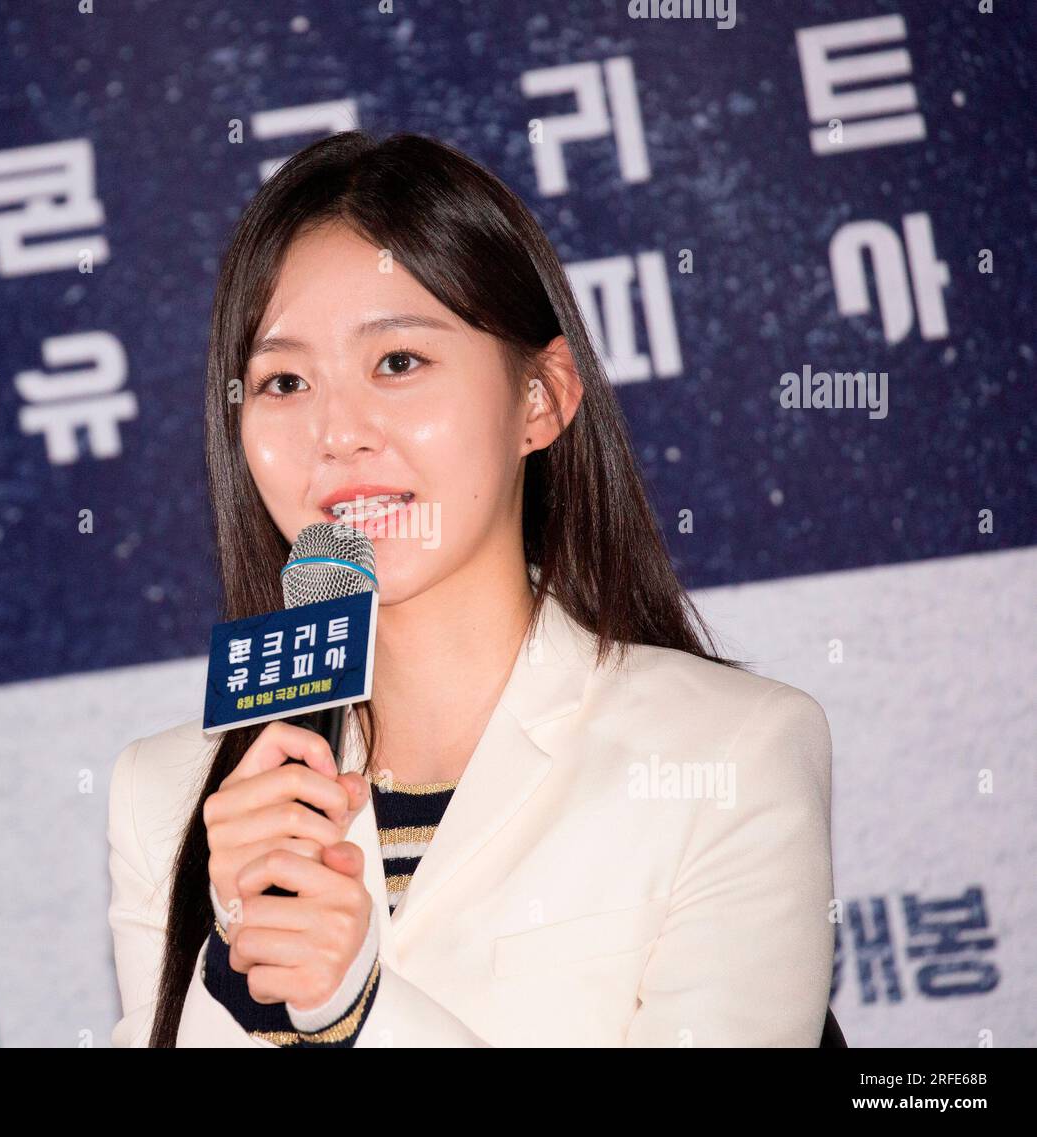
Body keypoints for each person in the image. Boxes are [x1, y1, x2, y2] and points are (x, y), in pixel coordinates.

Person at [106, 130, 836, 1047]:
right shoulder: (167, 798)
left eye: (398, 363)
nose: (338, 433)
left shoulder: (728, 753)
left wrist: (356, 1009)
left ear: (541, 398)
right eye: (284, 380)